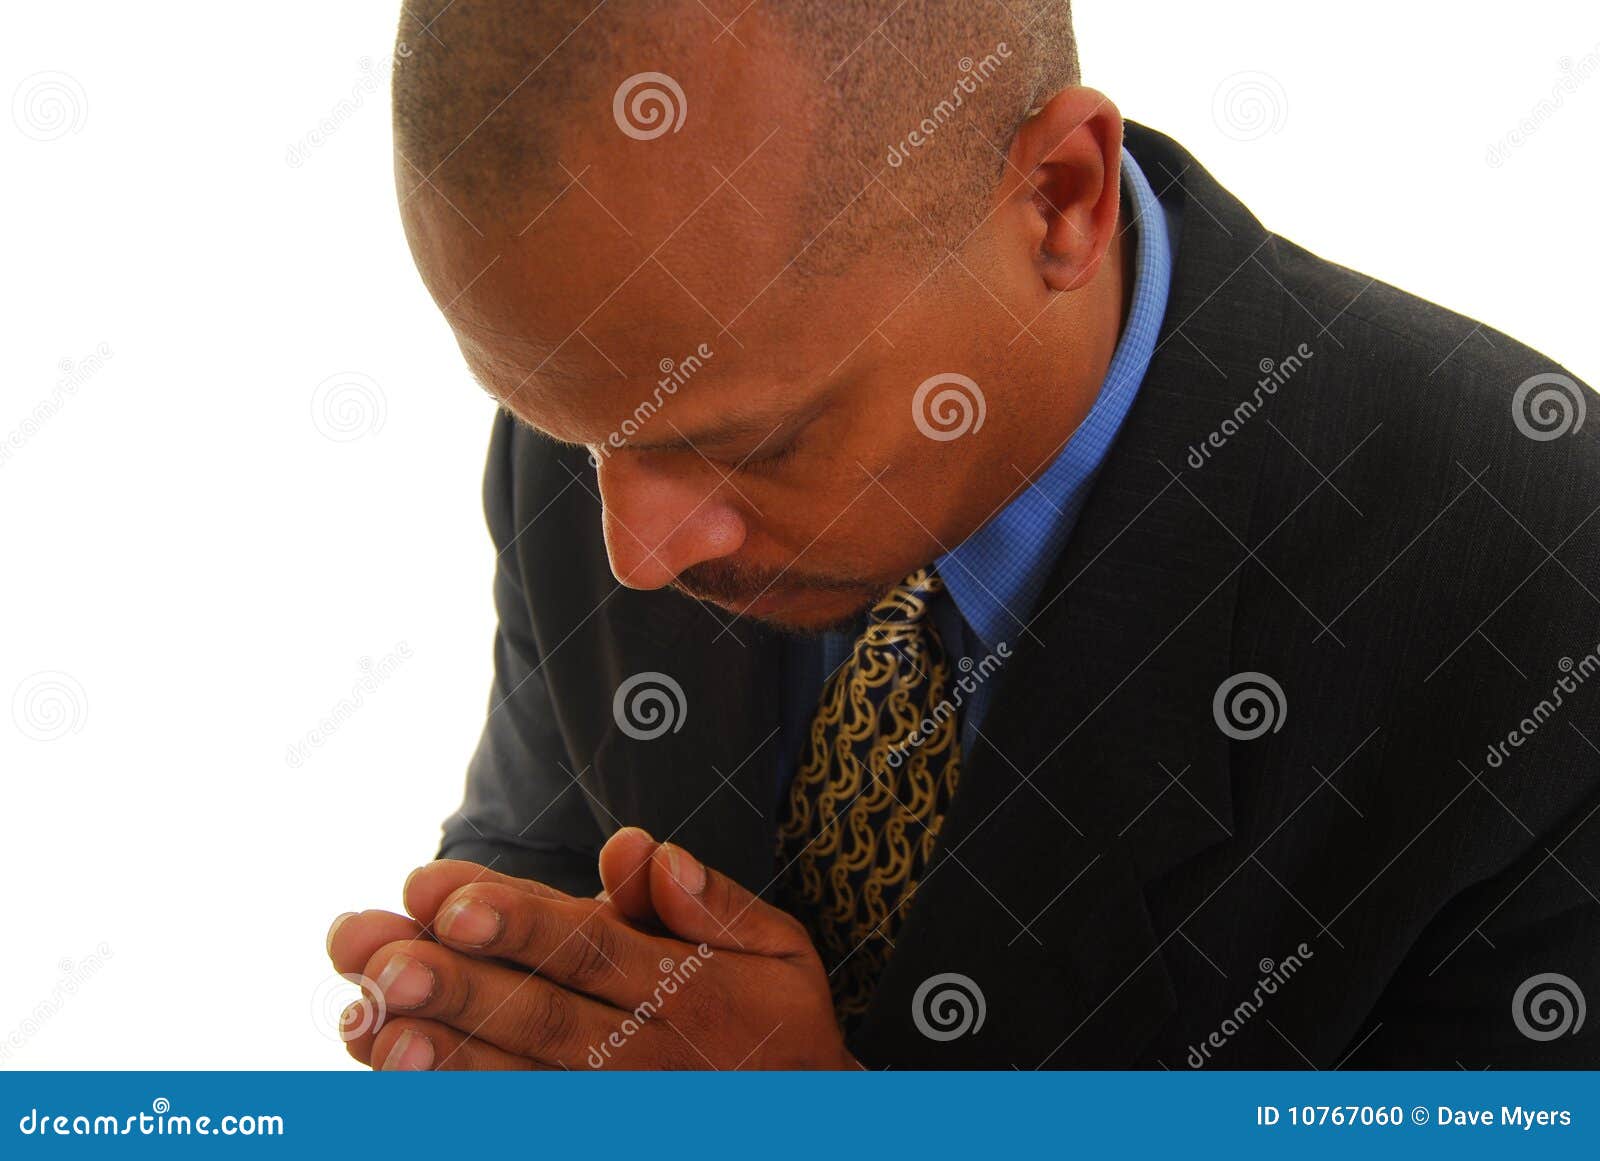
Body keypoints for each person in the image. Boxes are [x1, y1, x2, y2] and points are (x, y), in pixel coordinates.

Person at [326, 0, 1600, 1069]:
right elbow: (546, 835)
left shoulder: (1538, 584)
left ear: (1059, 199)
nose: (635, 553)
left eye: (759, 443)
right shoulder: (634, 393)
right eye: (566, 425)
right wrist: (490, 995)